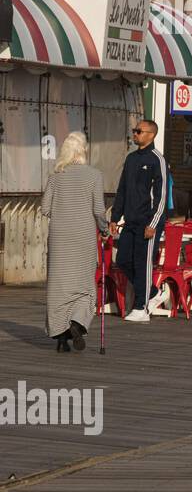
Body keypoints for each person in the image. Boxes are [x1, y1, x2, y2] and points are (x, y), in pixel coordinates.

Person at [41, 132, 109, 352]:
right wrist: (104, 229)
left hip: (59, 238)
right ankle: (77, 323)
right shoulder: (94, 175)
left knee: (58, 288)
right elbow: (99, 209)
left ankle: (61, 340)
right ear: (83, 151)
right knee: (84, 287)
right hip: (84, 238)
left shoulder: (55, 175)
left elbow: (46, 208)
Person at [109, 119, 168, 323]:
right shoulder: (131, 158)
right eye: (134, 131)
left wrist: (153, 223)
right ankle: (153, 292)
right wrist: (115, 217)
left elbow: (161, 195)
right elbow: (122, 189)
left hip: (148, 221)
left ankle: (141, 307)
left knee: (142, 263)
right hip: (131, 220)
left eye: (139, 131)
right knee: (123, 259)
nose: (134, 134)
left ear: (151, 135)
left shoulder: (157, 160)